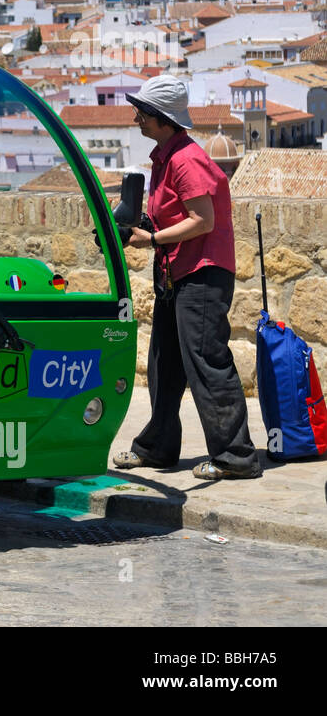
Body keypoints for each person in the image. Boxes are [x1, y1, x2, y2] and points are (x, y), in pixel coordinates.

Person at [114, 74, 262, 480]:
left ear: (162, 118)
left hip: (201, 275)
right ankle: (157, 447)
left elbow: (203, 220)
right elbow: (176, 214)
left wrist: (153, 238)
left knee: (206, 361)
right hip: (177, 272)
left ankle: (236, 456)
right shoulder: (165, 157)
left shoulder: (185, 159)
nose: (136, 119)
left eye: (142, 113)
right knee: (165, 361)